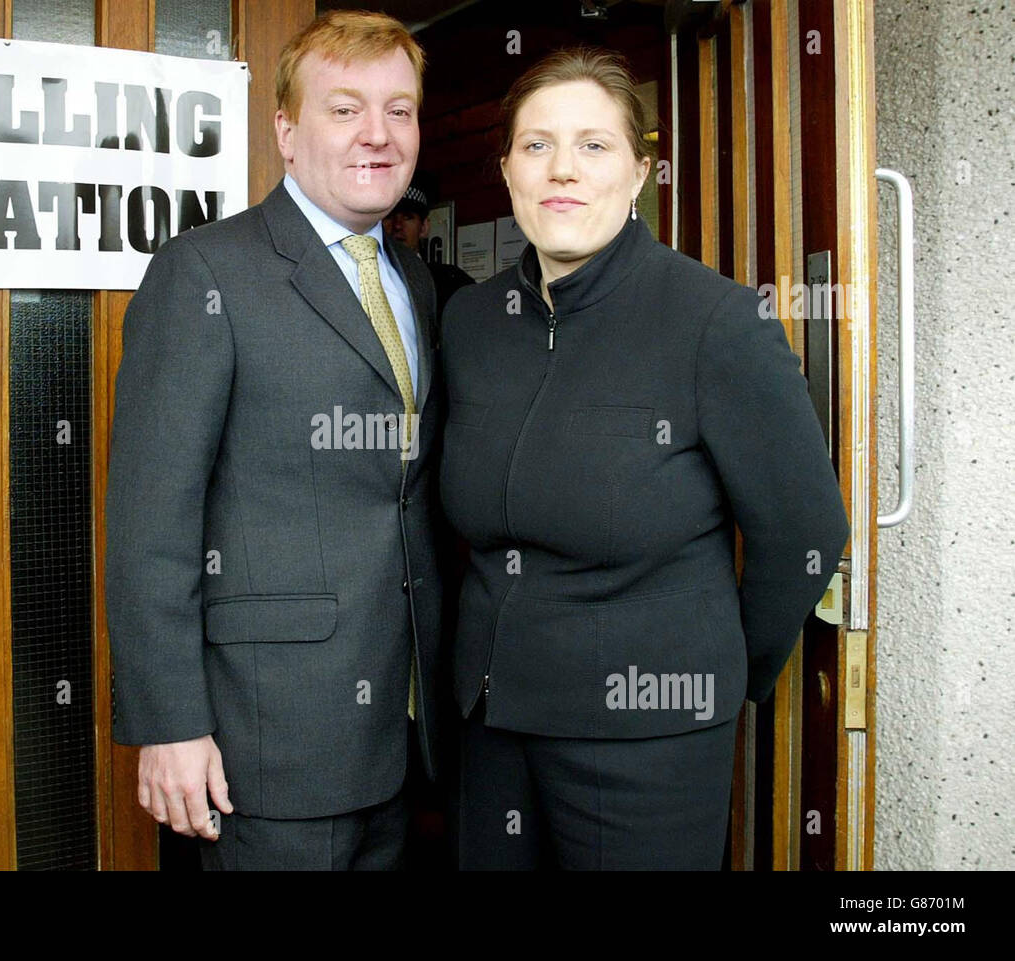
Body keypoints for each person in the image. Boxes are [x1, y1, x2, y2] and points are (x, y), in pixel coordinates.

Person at [438, 46, 850, 870]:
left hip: (646, 743)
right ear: (509, 169)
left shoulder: (714, 322)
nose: (564, 169)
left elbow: (804, 531)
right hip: (491, 725)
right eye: (537, 144)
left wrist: (715, 673)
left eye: (595, 145)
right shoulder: (472, 323)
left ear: (640, 173)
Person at [104, 10, 444, 871]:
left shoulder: (415, 281)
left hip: (401, 737)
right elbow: (151, 521)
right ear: (287, 132)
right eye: (345, 109)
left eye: (399, 110)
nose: (378, 134)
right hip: (263, 749)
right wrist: (170, 724)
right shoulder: (205, 272)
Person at [383, 173, 475, 339]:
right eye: (389, 217)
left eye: (408, 217)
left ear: (424, 227)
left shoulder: (452, 282)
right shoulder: (367, 280)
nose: (397, 226)